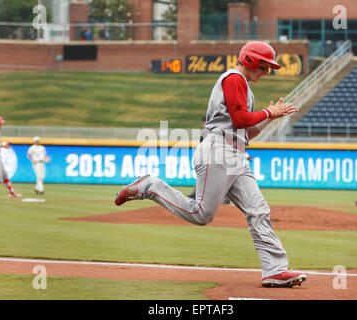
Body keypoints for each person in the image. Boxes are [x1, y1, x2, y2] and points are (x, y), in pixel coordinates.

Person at [114, 41, 306, 288]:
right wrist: (268, 113)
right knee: (201, 214)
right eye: (264, 65)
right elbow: (238, 119)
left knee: (258, 210)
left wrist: (270, 116)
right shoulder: (234, 78)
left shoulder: (245, 87)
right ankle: (151, 186)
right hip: (218, 150)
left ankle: (274, 270)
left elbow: (247, 133)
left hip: (235, 153)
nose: (266, 71)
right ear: (249, 60)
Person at [187, 116, 231, 204]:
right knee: (202, 176)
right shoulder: (204, 132)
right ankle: (195, 194)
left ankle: (226, 198)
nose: (203, 123)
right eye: (203, 122)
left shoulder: (215, 130)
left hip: (219, 156)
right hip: (208, 156)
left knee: (223, 178)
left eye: (204, 122)